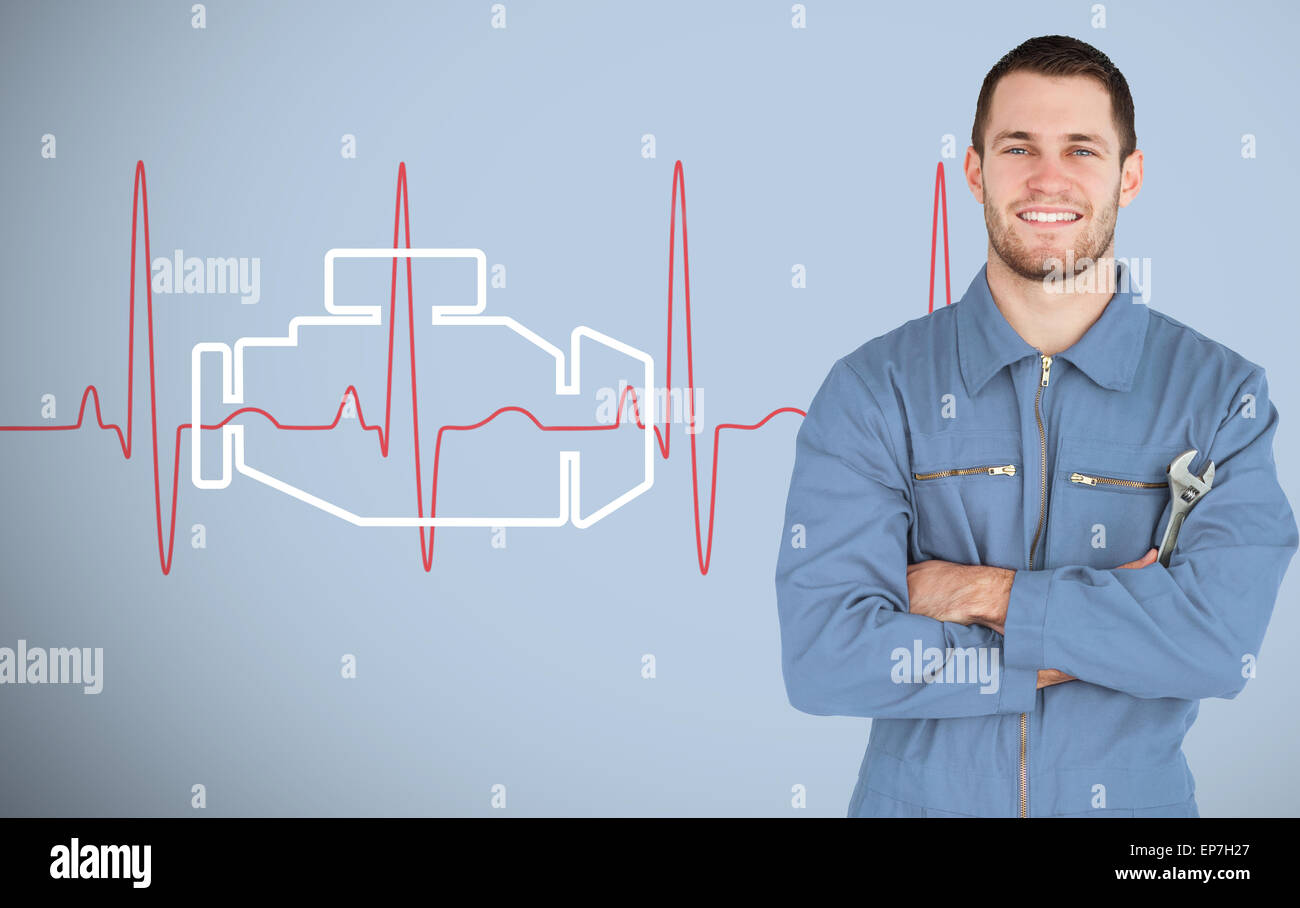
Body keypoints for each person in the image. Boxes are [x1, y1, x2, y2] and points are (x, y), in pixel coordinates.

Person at [773, 34, 1298, 817]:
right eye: (1019, 147)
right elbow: (827, 660)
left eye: (1081, 149)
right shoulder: (873, 390)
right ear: (976, 171)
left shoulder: (1222, 395)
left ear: (1131, 175)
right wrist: (1093, 639)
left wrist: (980, 592)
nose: (1048, 178)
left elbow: (1216, 647)